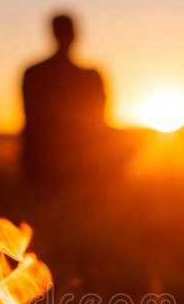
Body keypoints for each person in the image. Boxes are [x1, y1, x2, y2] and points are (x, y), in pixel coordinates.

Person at [21, 13, 122, 186]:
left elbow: (100, 122)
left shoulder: (34, 73)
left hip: (77, 168)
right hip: (54, 168)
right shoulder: (36, 74)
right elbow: (32, 124)